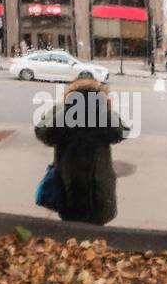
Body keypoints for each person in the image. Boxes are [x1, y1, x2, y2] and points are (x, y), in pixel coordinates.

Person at [34, 77, 129, 225]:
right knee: (96, 230)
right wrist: (103, 108)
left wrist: (66, 110)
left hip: (68, 182)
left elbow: (43, 132)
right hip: (98, 186)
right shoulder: (101, 113)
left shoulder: (62, 110)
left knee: (71, 228)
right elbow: (121, 132)